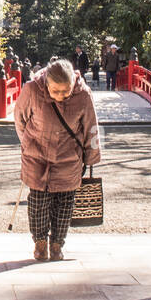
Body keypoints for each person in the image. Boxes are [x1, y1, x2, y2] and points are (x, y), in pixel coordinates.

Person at [13, 56, 102, 262]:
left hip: (68, 157)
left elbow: (91, 127)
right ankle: (40, 243)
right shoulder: (32, 90)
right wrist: (28, 143)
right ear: (46, 83)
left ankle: (57, 244)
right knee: (38, 202)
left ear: (73, 84)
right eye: (55, 91)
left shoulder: (83, 95)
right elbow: (20, 119)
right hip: (37, 156)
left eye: (65, 91)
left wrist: (90, 157)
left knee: (65, 203)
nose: (61, 96)